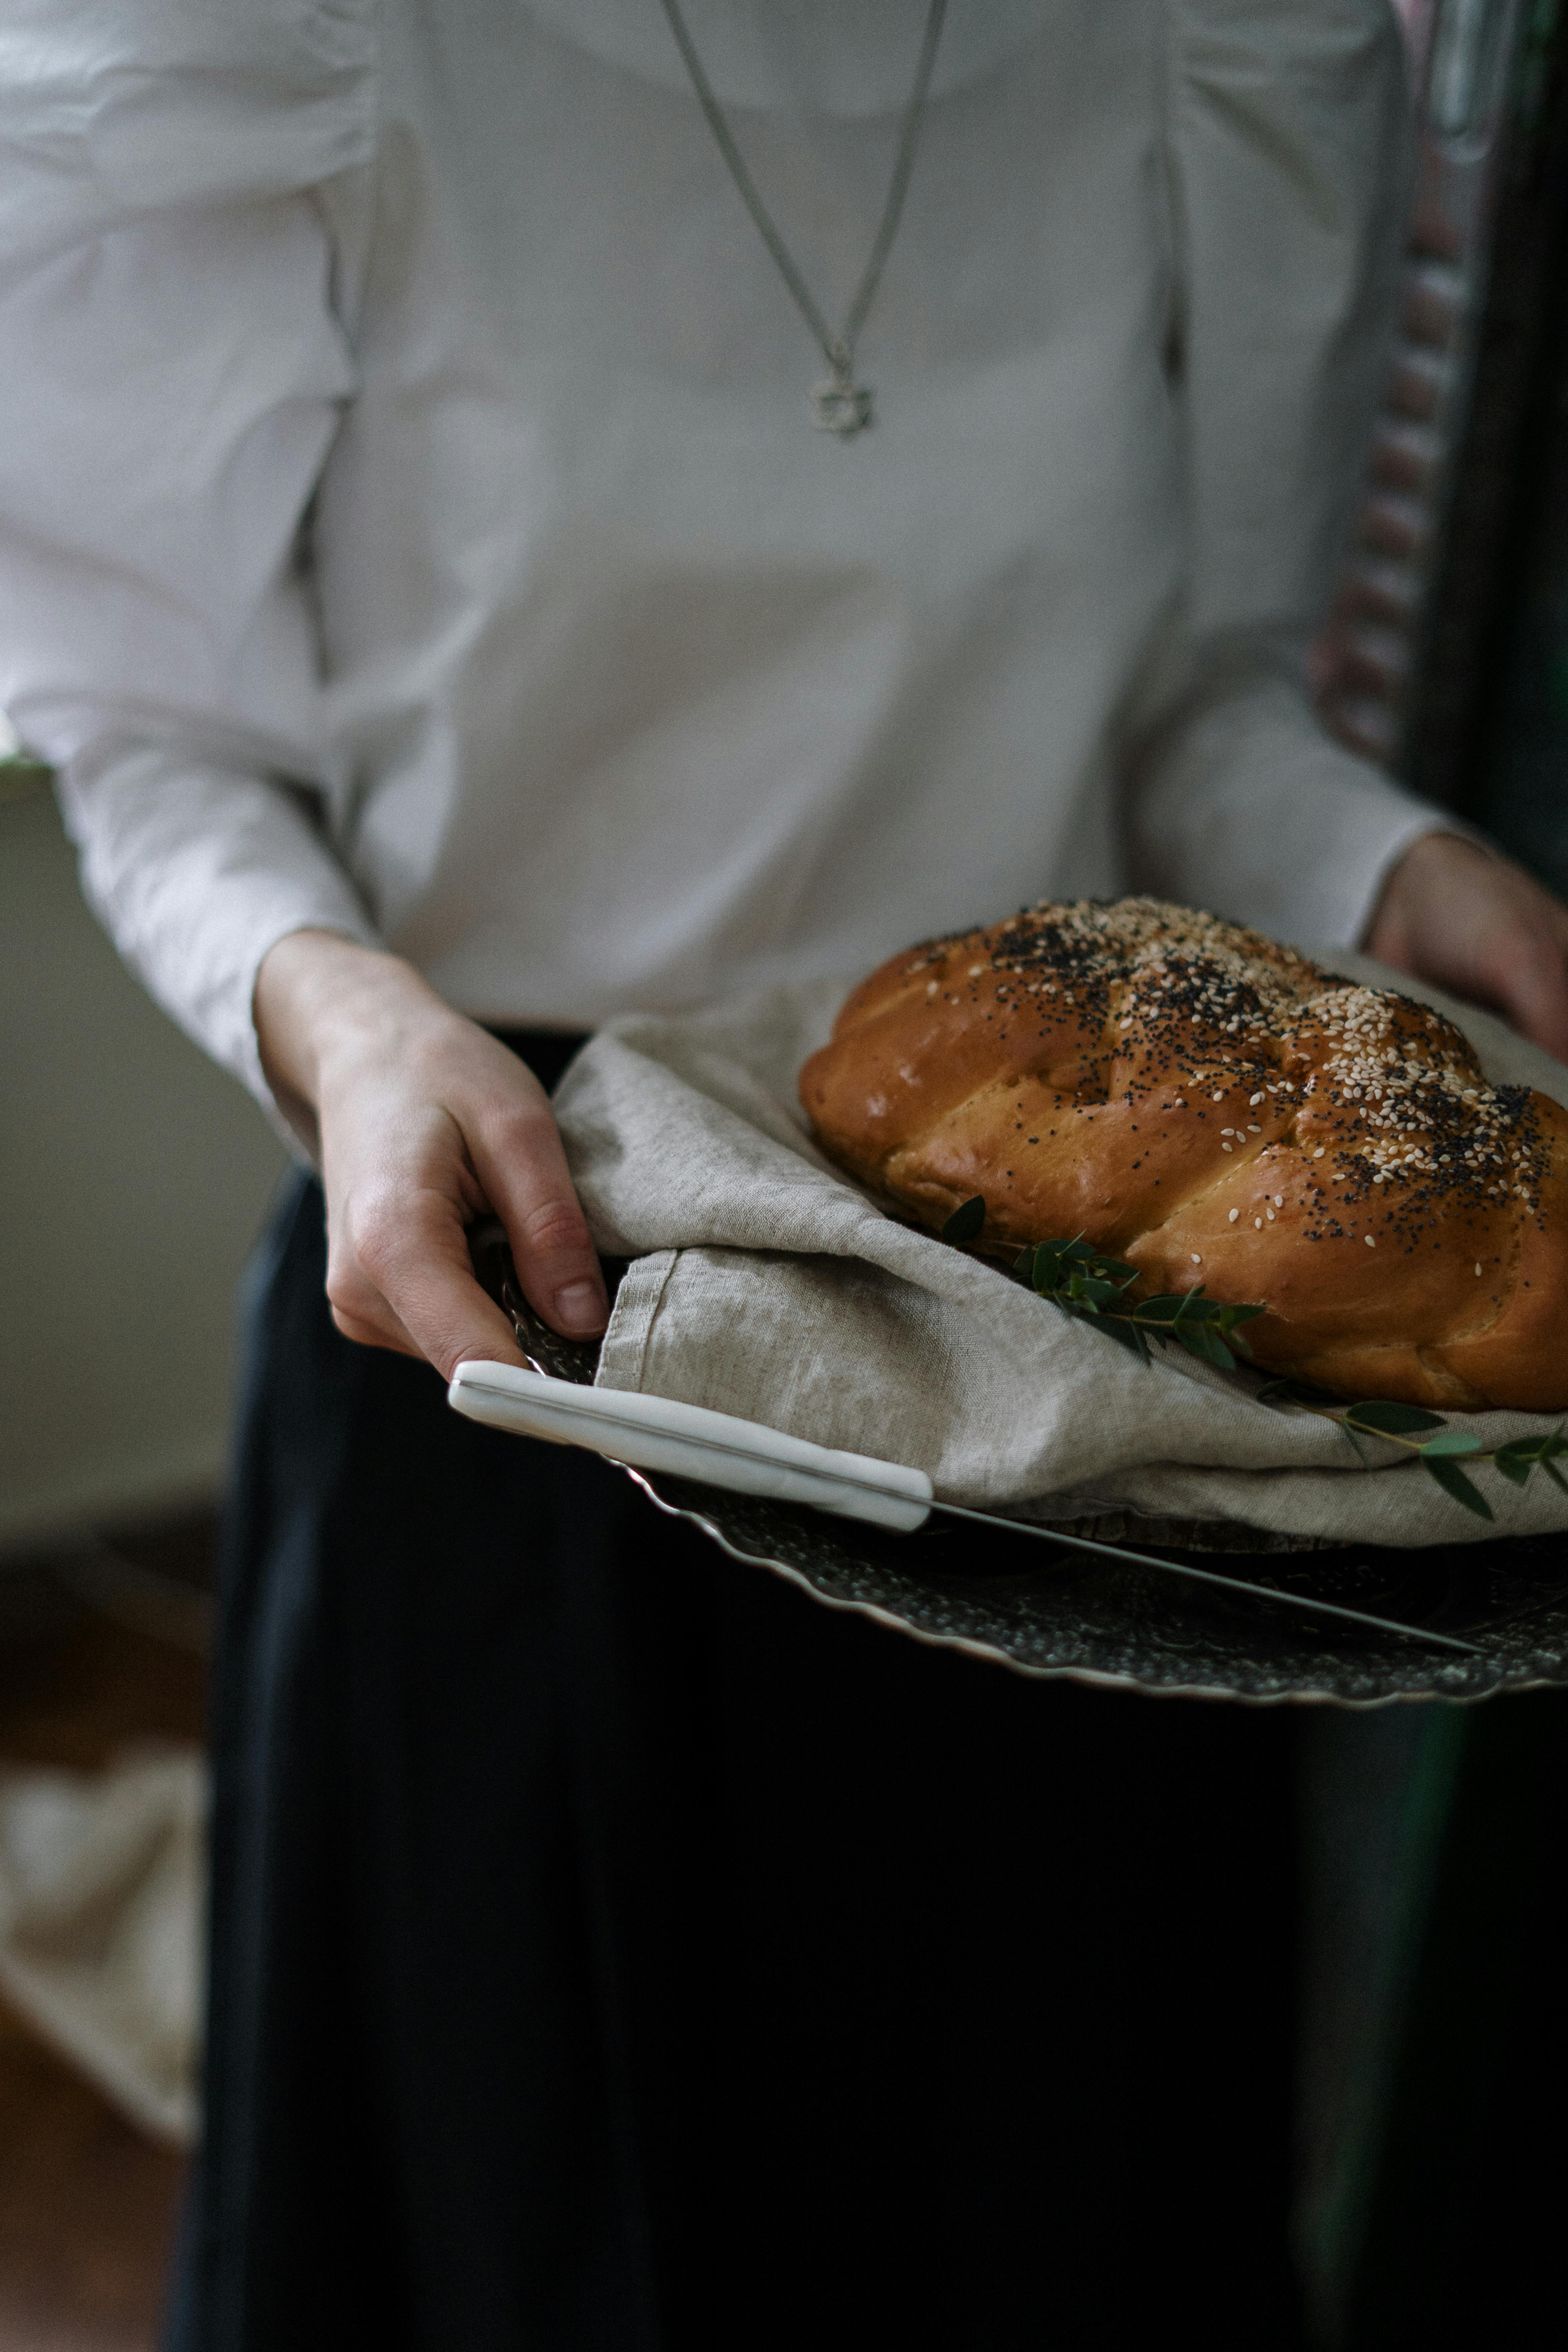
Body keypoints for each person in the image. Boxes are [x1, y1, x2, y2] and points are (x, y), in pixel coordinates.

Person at [4, 4, 1568, 2344]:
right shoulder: (297, 39)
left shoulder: (1220, 43)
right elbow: (154, 732)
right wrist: (337, 1008)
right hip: (513, 1295)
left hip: (1061, 1395)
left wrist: (1396, 858)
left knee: (1033, 2214)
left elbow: (1194, 712)